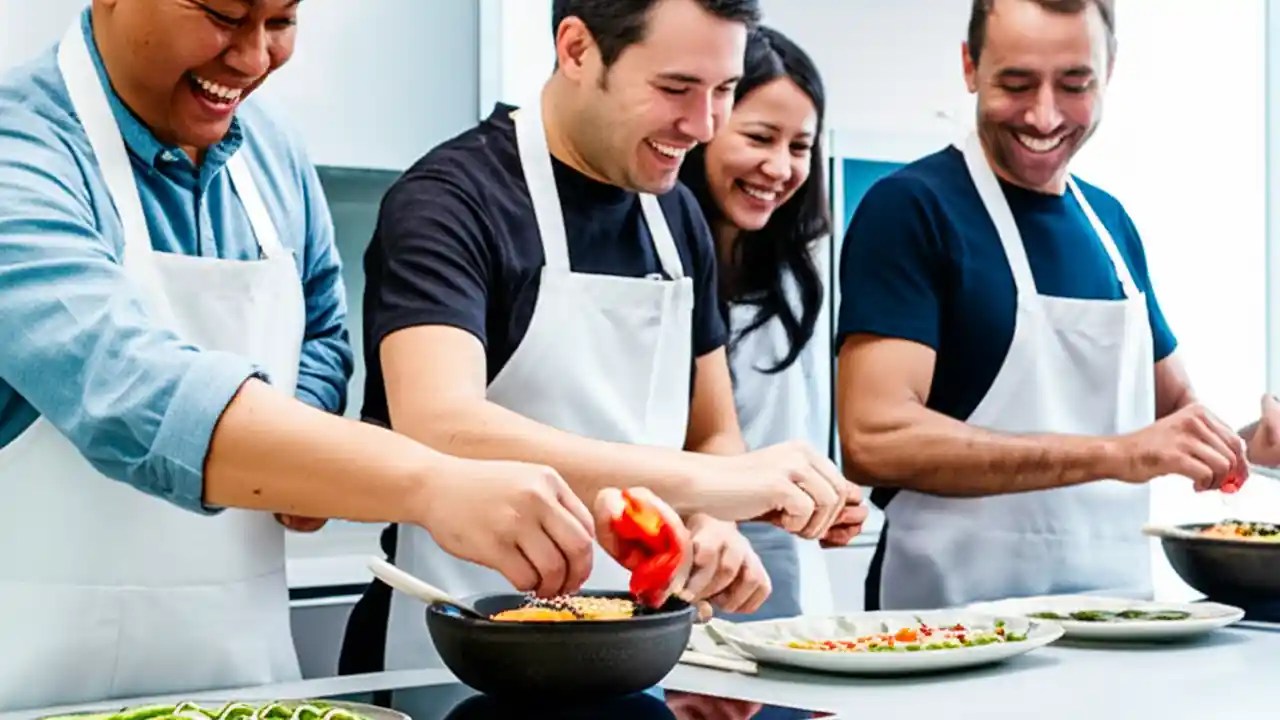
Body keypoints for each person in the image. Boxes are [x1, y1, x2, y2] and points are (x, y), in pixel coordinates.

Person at [0, 1, 681, 711]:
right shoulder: (21, 150)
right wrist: (433, 484)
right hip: (36, 686)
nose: (255, 58)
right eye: (226, 15)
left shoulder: (270, 155)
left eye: (282, 21)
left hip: (246, 685)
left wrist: (302, 455)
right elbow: (128, 389)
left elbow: (322, 334)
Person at [344, 0, 866, 673]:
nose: (703, 125)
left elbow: (710, 427)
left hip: (640, 651)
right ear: (577, 49)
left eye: (725, 91)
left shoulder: (675, 214)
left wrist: (713, 524)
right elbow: (439, 426)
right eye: (676, 88)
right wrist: (718, 484)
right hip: (459, 646)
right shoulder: (450, 201)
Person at [834, 0, 1257, 612]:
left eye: (1074, 83)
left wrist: (1246, 444)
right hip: (943, 633)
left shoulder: (1111, 226)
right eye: (1016, 82)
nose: (1044, 114)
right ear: (969, 67)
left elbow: (1174, 413)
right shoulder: (911, 210)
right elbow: (875, 438)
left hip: (1113, 623)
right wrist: (1115, 454)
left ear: (1108, 72)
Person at [677, 26, 844, 620]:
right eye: (759, 138)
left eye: (800, 146)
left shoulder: (800, 272)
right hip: (684, 567)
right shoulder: (659, 267)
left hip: (788, 575)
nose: (779, 166)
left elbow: (787, 433)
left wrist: (826, 492)